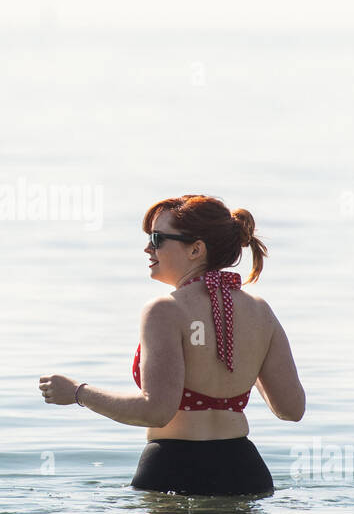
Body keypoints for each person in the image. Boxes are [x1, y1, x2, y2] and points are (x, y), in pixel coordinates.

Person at [38, 194, 305, 497]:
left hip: (173, 470)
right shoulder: (260, 311)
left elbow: (156, 411)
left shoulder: (164, 310)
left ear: (196, 249)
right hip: (245, 473)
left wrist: (77, 393)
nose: (147, 248)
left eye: (157, 238)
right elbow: (291, 409)